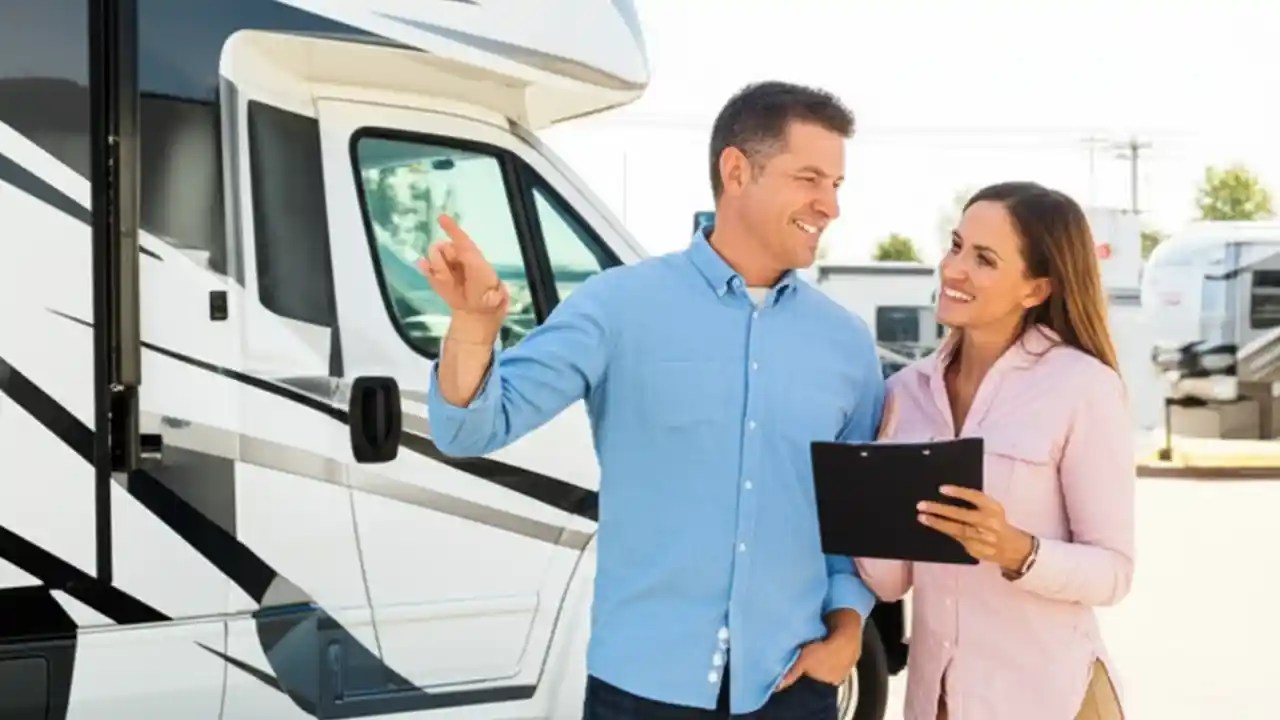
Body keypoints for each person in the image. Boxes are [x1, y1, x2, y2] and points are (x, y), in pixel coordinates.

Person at [423, 81, 886, 718]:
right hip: (641, 690)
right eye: (810, 178)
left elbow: (851, 520)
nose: (828, 205)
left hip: (791, 686)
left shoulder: (847, 344)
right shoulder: (617, 306)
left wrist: (848, 630)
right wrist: (475, 329)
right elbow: (469, 430)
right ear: (736, 170)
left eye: (837, 184)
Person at [855, 181, 1135, 720]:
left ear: (1035, 290)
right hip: (937, 700)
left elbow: (1114, 572)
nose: (954, 269)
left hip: (1050, 699)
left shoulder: (1082, 387)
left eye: (983, 259)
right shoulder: (904, 394)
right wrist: (861, 510)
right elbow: (891, 582)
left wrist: (1015, 549)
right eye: (956, 245)